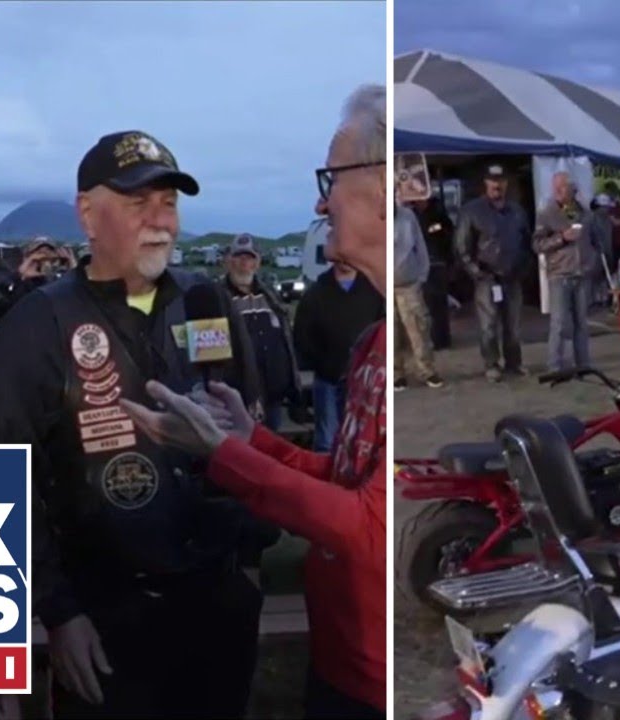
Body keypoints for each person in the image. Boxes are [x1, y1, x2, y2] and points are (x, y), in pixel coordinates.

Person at [0, 130, 271, 720]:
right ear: (88, 213)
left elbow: (249, 422)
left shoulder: (204, 299)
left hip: (218, 601)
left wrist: (251, 556)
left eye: (169, 203)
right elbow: (1, 480)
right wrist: (57, 612)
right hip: (106, 616)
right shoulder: (40, 324)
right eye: (139, 203)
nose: (160, 221)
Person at [120, 84, 387, 720]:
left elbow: (365, 526)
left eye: (333, 178)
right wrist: (251, 442)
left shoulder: (379, 333)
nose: (320, 200)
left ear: (383, 189)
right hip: (337, 657)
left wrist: (223, 454)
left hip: (373, 678)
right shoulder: (376, 340)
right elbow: (341, 478)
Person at [454, 164, 533, 382]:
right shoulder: (471, 210)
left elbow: (527, 242)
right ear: (486, 184)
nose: (497, 185)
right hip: (487, 278)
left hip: (512, 277)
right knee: (488, 326)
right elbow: (462, 247)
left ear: (506, 183)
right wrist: (477, 272)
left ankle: (514, 363)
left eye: (500, 180)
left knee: (513, 325)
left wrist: (523, 268)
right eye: (492, 181)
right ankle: (491, 364)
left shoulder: (517, 211)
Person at [293, 262, 382, 451]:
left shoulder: (373, 290)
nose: (345, 261)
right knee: (326, 441)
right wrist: (321, 363)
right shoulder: (316, 293)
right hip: (328, 380)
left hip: (364, 382)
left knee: (361, 440)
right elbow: (302, 334)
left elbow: (382, 328)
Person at [223, 233, 302, 430]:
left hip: (273, 394)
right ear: (228, 261)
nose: (244, 263)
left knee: (271, 450)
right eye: (238, 257)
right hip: (237, 397)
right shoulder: (218, 298)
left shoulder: (270, 297)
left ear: (257, 263)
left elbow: (286, 339)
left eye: (250, 258)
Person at [534, 172, 601, 372]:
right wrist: (561, 238)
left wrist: (593, 261)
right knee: (560, 323)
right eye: (555, 187)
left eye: (562, 187)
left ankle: (583, 364)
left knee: (581, 322)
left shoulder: (586, 214)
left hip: (582, 274)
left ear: (573, 189)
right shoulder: (547, 214)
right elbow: (537, 244)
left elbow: (595, 241)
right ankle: (555, 365)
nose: (558, 191)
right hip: (560, 274)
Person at [394, 202, 442, 390]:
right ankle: (396, 373)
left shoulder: (407, 216)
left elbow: (420, 245)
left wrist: (422, 274)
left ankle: (427, 370)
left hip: (409, 284)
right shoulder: (373, 217)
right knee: (393, 331)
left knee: (419, 329)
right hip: (384, 285)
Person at [412, 196, 455, 349]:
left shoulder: (437, 211)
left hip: (437, 262)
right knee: (422, 304)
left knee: (438, 303)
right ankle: (426, 339)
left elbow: (447, 232)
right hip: (417, 264)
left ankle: (442, 339)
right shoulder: (409, 213)